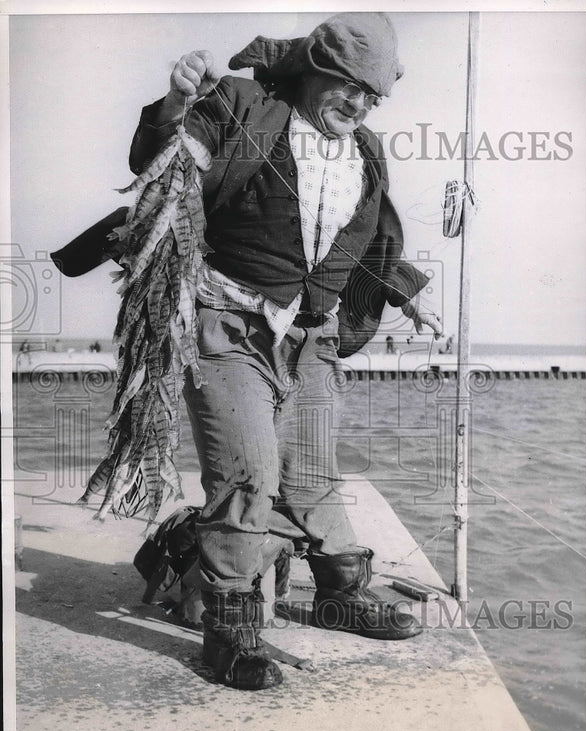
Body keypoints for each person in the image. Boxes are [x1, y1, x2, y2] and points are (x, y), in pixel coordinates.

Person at [129, 12, 442, 691]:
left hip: (312, 341)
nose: (358, 103)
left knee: (312, 477)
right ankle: (230, 627)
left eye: (373, 95)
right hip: (228, 325)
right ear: (314, 71)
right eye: (348, 85)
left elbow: (369, 242)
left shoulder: (367, 151)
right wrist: (178, 105)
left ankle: (338, 592)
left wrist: (390, 299)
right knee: (247, 474)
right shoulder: (242, 105)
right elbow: (160, 166)